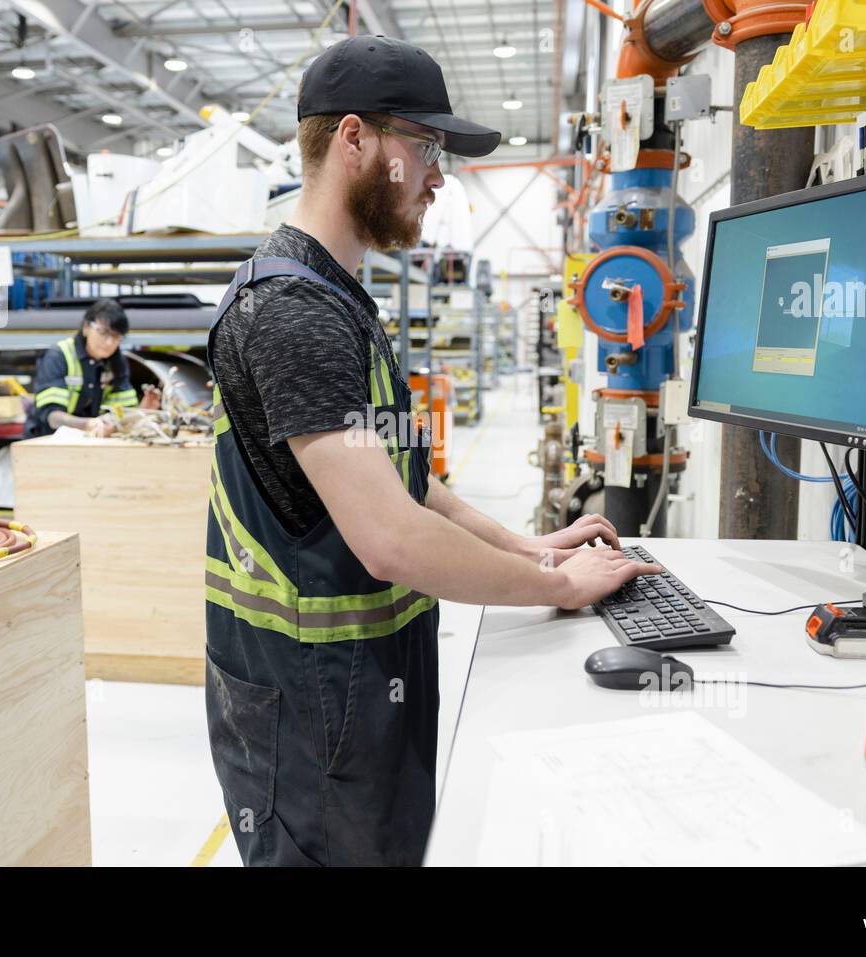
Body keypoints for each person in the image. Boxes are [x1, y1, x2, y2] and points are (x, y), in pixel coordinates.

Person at [204, 35, 663, 867]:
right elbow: (392, 539)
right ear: (352, 140)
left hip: (362, 692)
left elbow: (414, 488)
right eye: (423, 147)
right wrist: (553, 586)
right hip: (310, 717)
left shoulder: (340, 299)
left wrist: (529, 545)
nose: (438, 174)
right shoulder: (292, 314)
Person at [23, 298, 158, 438]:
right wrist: (87, 424)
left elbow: (121, 413)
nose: (109, 342)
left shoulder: (117, 363)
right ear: (86, 327)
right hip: (47, 440)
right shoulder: (59, 355)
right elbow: (52, 417)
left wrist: (142, 410)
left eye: (116, 336)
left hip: (88, 439)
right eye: (103, 332)